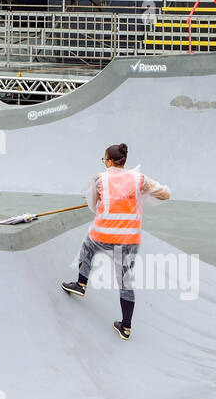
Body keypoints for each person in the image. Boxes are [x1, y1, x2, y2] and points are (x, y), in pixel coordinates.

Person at [61, 143, 172, 340]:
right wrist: (141, 193)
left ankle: (81, 283)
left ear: (110, 161)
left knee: (88, 247)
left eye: (104, 159)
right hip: (128, 239)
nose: (104, 163)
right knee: (125, 279)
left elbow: (93, 205)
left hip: (102, 235)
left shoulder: (99, 178)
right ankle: (126, 326)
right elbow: (165, 194)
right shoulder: (140, 179)